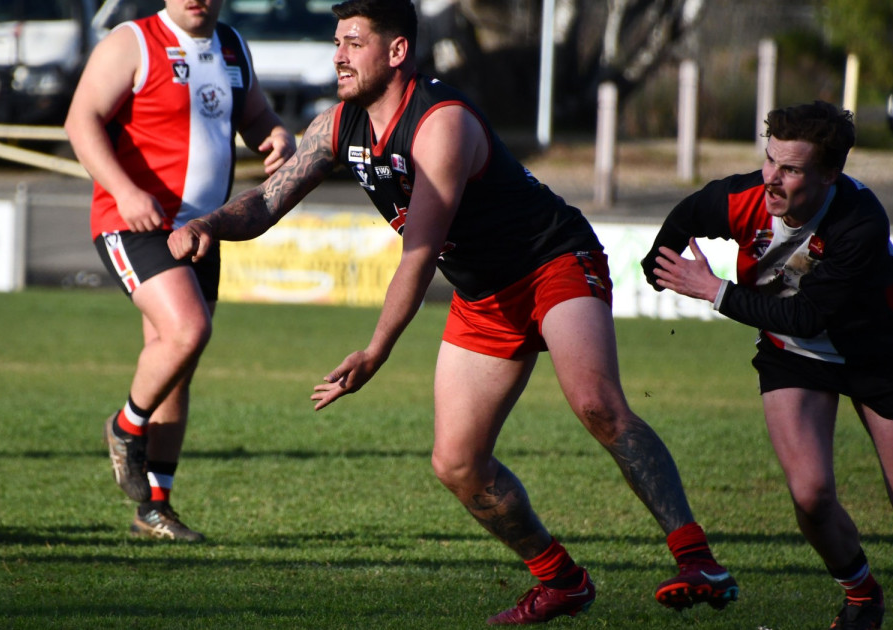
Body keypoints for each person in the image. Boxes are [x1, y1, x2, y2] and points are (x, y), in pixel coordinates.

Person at [168, 0, 737, 622]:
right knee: (457, 463)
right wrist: (209, 225)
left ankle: (696, 557)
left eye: (353, 43)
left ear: (397, 51)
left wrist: (376, 350)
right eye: (337, 42)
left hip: (551, 261)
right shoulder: (337, 125)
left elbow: (418, 254)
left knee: (597, 403)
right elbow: (267, 202)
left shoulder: (441, 123)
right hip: (482, 293)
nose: (338, 55)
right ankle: (561, 580)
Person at [642, 100, 893, 630]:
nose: (771, 179)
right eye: (769, 160)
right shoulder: (748, 194)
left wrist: (713, 290)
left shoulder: (859, 222)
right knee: (810, 494)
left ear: (829, 175)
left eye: (791, 169)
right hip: (793, 358)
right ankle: (863, 596)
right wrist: (659, 262)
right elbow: (688, 215)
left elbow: (807, 314)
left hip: (877, 355)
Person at [63, 0, 295, 542]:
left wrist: (275, 134)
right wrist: (124, 190)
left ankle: (154, 508)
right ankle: (124, 427)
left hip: (201, 230)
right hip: (135, 221)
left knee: (176, 365)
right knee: (188, 330)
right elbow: (80, 120)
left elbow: (255, 115)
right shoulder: (132, 42)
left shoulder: (233, 45)